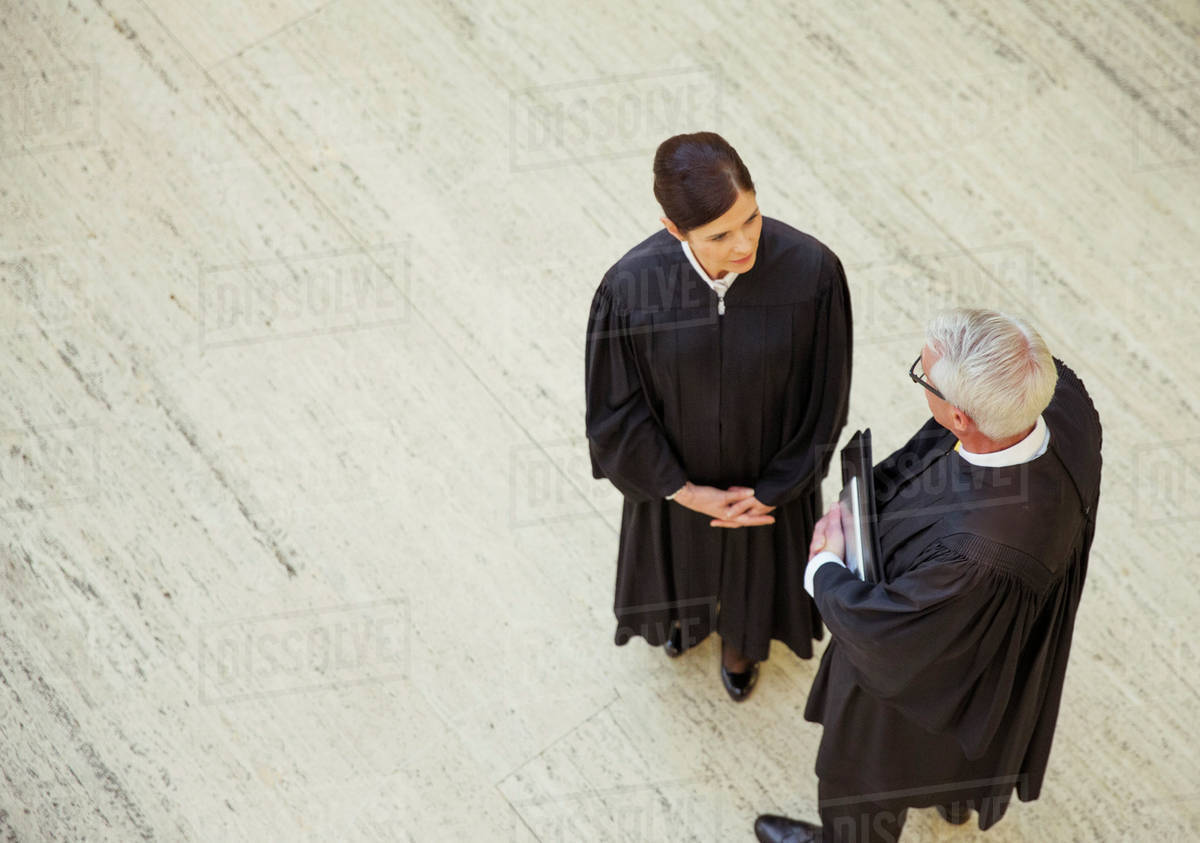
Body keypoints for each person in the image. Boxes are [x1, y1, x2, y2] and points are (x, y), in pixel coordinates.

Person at [754, 309, 1102, 841]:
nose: (920, 376)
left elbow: (887, 634)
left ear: (962, 418)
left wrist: (824, 563)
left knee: (860, 781)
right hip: (996, 643)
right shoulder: (1062, 401)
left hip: (922, 674)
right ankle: (955, 797)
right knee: (969, 740)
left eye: (923, 376)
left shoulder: (979, 553)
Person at [584, 132, 852, 701]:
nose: (743, 244)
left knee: (758, 572)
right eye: (719, 235)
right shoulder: (630, 289)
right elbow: (614, 409)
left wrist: (778, 489)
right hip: (677, 477)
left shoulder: (813, 272)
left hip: (770, 483)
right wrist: (681, 490)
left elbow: (827, 394)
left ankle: (742, 641)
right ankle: (686, 618)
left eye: (751, 218)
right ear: (672, 229)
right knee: (681, 559)